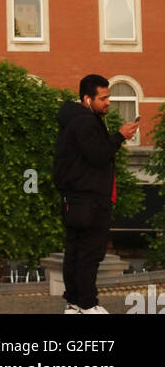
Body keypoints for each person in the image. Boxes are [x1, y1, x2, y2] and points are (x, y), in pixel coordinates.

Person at [53, 73, 140, 314]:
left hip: (75, 198)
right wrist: (120, 136)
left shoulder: (74, 120)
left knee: (75, 252)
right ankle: (88, 304)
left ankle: (73, 303)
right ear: (87, 99)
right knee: (89, 254)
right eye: (103, 98)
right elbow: (99, 155)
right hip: (90, 199)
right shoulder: (85, 122)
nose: (109, 102)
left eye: (109, 96)